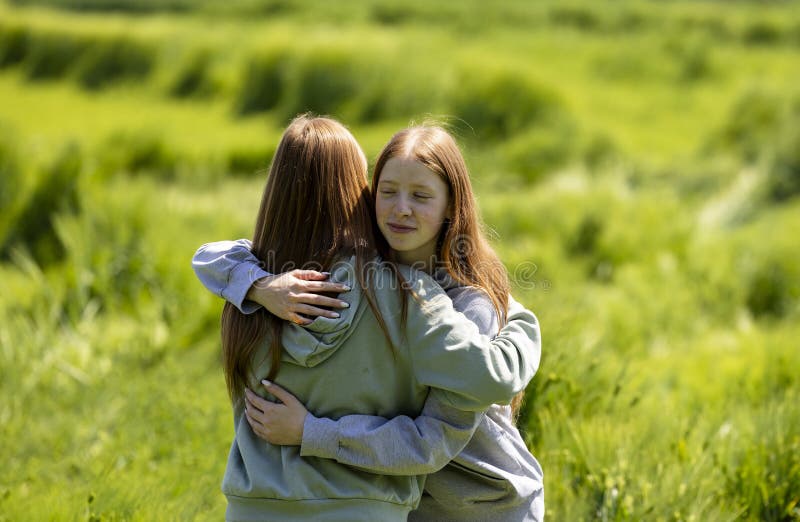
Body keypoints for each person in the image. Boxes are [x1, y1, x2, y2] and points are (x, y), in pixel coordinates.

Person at [198, 115, 541, 522]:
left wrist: (520, 321)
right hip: (403, 501)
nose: (401, 209)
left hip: (482, 505)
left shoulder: (462, 304)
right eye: (387, 191)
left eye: (420, 196)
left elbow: (432, 438)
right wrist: (258, 286)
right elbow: (215, 255)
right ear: (364, 194)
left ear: (452, 206)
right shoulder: (366, 275)